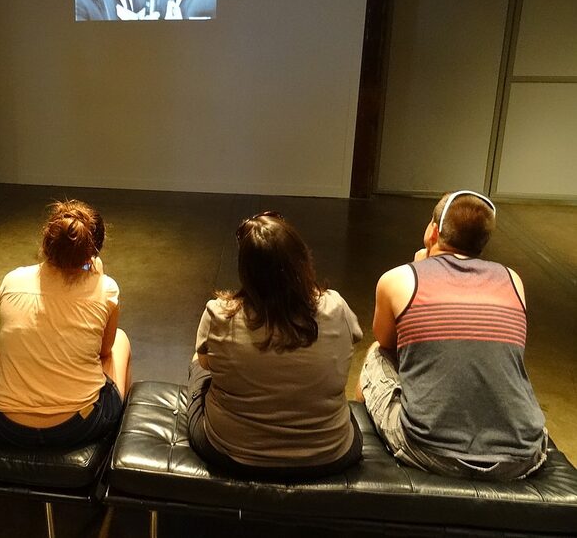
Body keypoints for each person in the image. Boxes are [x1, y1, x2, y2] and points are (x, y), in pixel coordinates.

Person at [358, 190, 547, 480]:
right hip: (523, 455)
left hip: (430, 451)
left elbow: (387, 341)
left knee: (375, 355)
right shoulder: (513, 280)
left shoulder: (398, 278)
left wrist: (420, 267)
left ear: (433, 231)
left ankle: (366, 427)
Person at [188, 212, 363, 478]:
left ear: (246, 270)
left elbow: (205, 363)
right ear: (301, 260)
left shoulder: (220, 314)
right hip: (329, 453)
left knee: (198, 364)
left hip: (233, 452)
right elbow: (354, 339)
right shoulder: (336, 307)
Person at [0, 200, 131, 447]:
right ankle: (117, 439)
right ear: (93, 250)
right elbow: (104, 350)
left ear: (47, 242)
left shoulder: (12, 280)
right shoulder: (106, 288)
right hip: (76, 426)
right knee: (119, 341)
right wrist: (93, 268)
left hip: (7, 425)